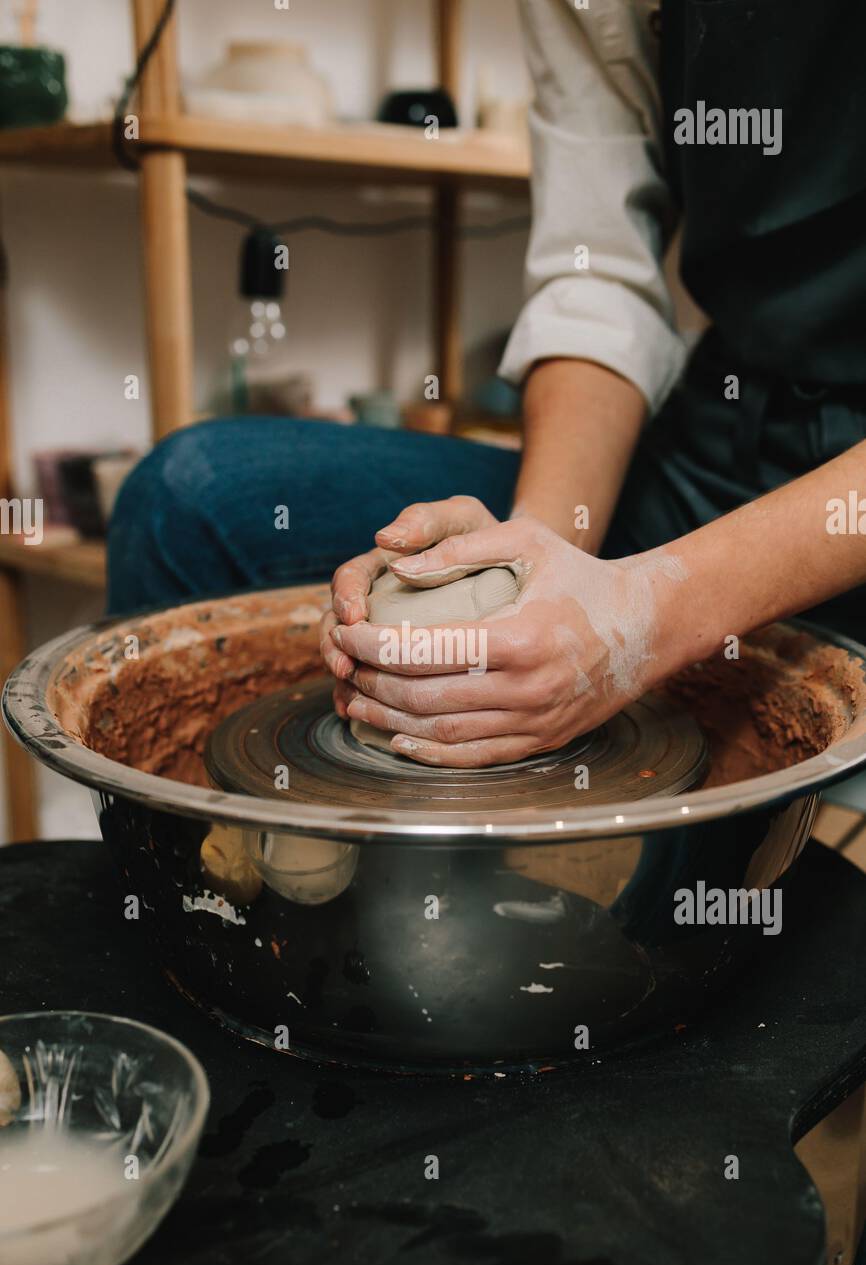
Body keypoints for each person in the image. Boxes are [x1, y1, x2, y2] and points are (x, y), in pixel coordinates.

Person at [110, 0, 866, 768]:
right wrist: (530, 553)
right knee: (190, 501)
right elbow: (598, 272)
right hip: (724, 440)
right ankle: (207, 875)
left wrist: (650, 615)